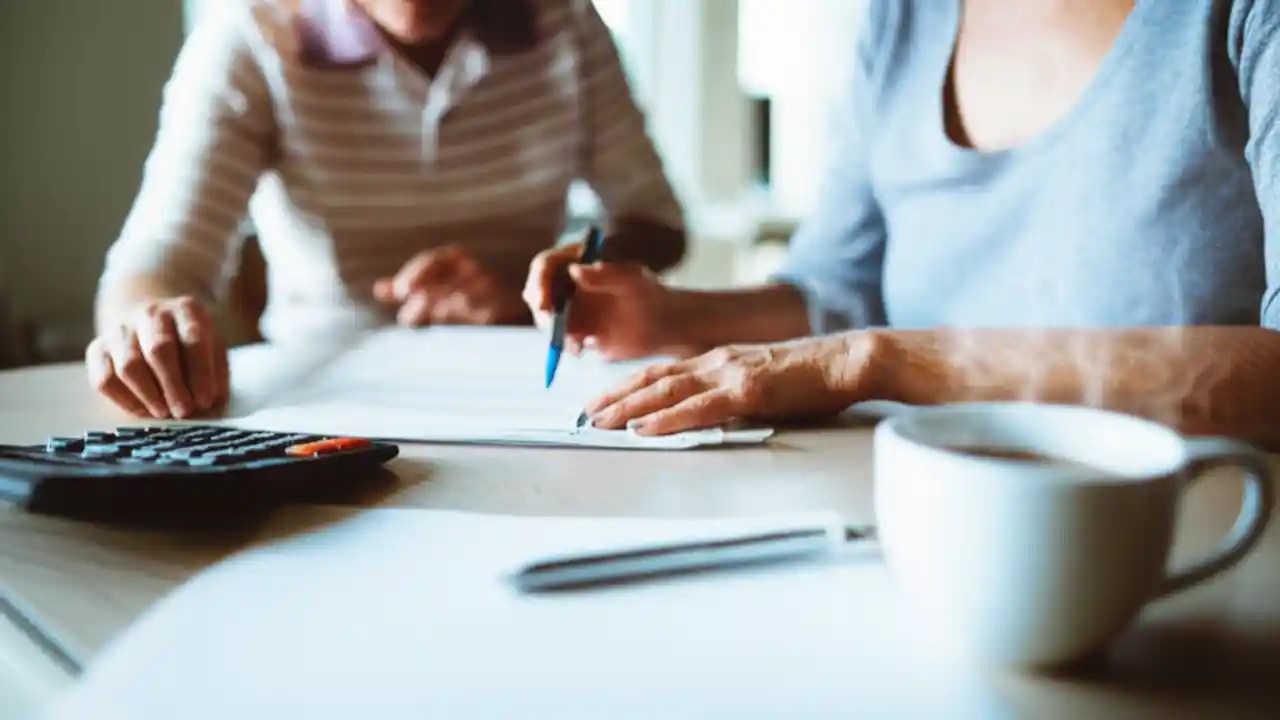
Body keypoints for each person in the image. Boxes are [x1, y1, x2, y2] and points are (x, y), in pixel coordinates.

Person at [525, 0, 1280, 446]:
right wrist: (667, 315)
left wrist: (876, 362)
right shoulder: (903, 18)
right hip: (918, 507)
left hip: (1191, 530)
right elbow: (839, 290)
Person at [88, 0, 683, 419]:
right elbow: (160, 255)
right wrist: (144, 322)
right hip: (319, 395)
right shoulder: (251, 34)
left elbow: (657, 223)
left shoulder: (565, 20)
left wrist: (542, 283)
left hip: (530, 384)